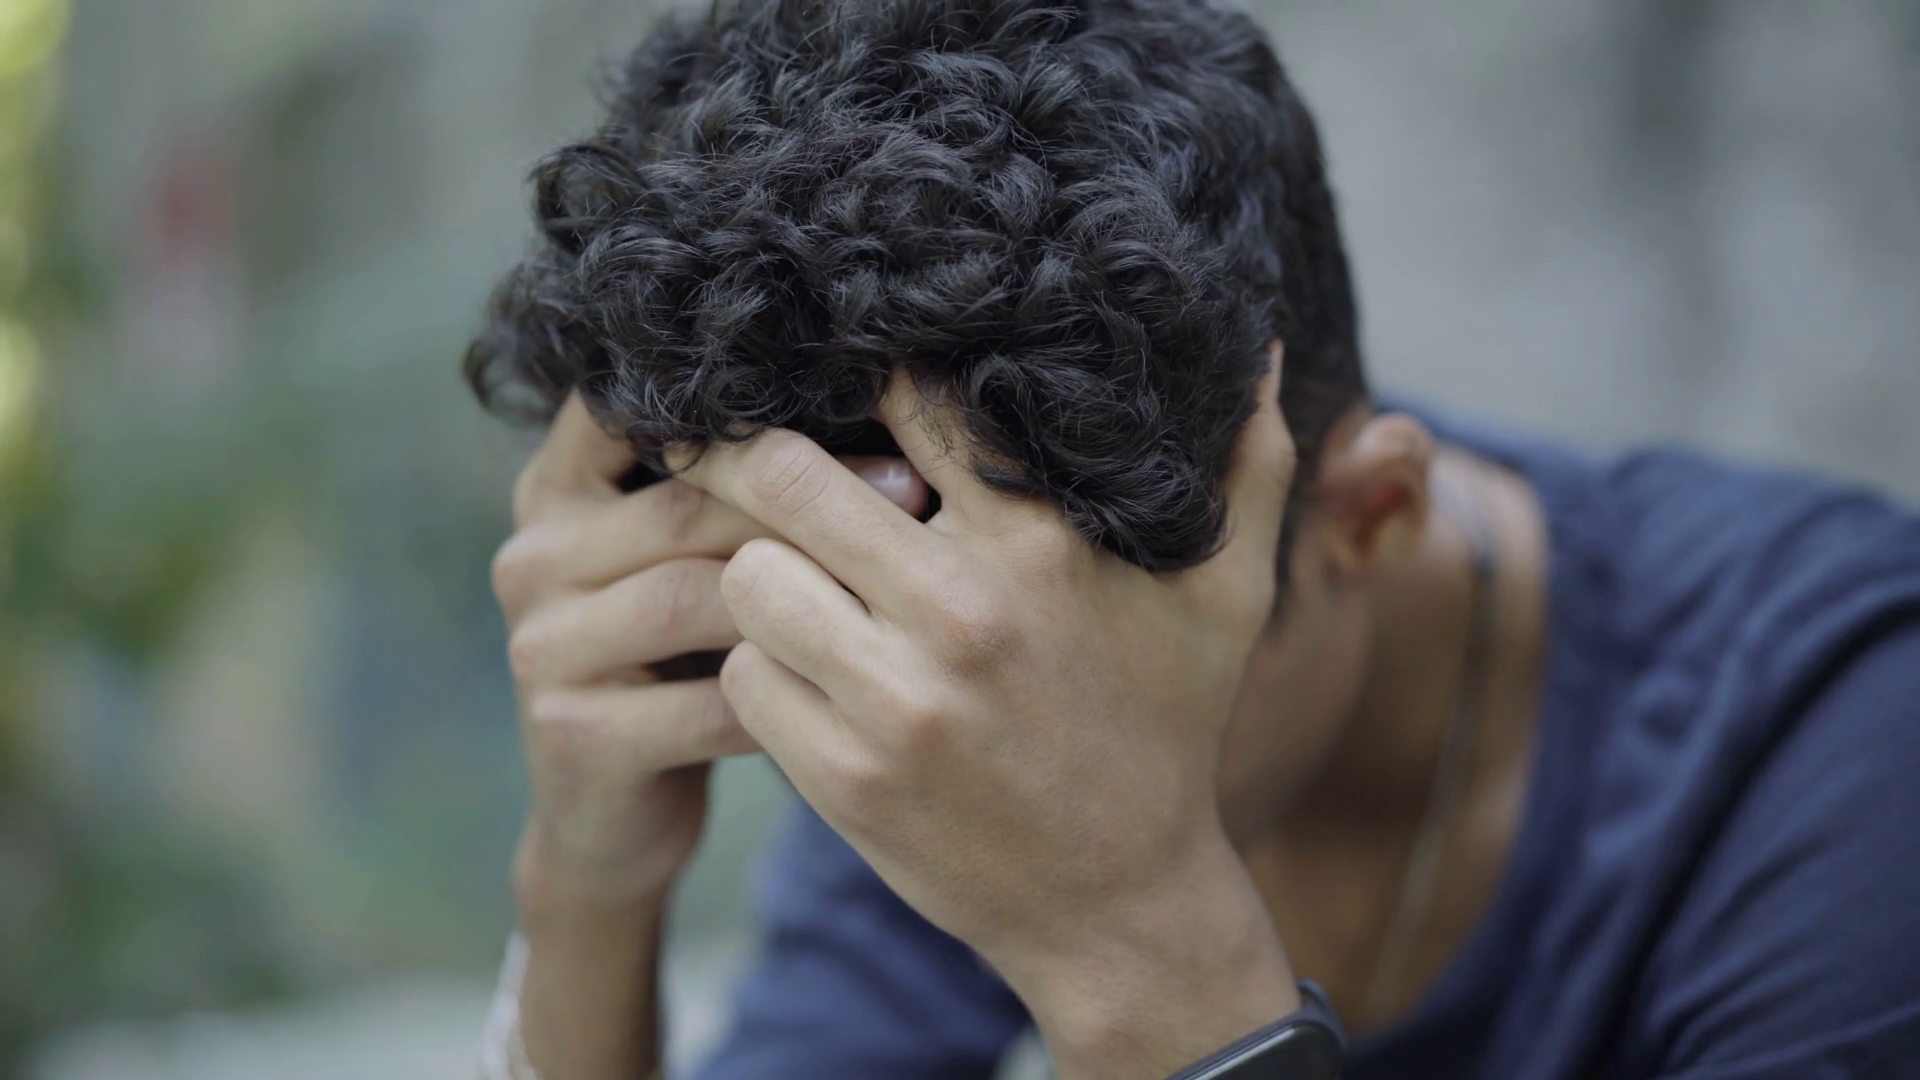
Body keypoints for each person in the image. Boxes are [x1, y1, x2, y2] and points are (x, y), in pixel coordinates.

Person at [466, 0, 1920, 1076]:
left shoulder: (1844, 756)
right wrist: (588, 887)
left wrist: (1143, 948)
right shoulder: (946, 644)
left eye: (1051, 686)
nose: (950, 746)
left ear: (1370, 522)